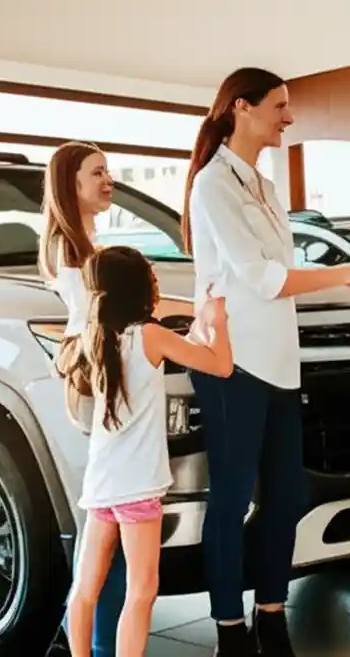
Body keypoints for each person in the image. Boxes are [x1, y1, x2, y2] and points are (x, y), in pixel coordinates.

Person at [182, 67, 350, 657]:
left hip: (279, 361)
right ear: (241, 108)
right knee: (231, 501)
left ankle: (271, 616)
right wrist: (346, 272)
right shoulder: (212, 184)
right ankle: (230, 632)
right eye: (279, 106)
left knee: (287, 496)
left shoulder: (265, 186)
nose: (289, 117)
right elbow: (262, 277)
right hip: (233, 362)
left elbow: (283, 277)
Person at [65, 245, 234, 657]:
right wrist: (219, 321)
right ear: (140, 289)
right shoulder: (150, 336)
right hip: (138, 486)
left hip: (101, 484)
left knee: (85, 588)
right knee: (141, 591)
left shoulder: (94, 336)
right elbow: (221, 366)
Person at [38, 141, 127, 657]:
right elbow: (98, 314)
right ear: (70, 184)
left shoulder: (87, 242)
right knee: (107, 520)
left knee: (108, 519)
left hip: (100, 378)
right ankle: (89, 645)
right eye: (97, 173)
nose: (107, 180)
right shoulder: (69, 249)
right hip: (94, 381)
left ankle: (82, 640)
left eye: (108, 171)